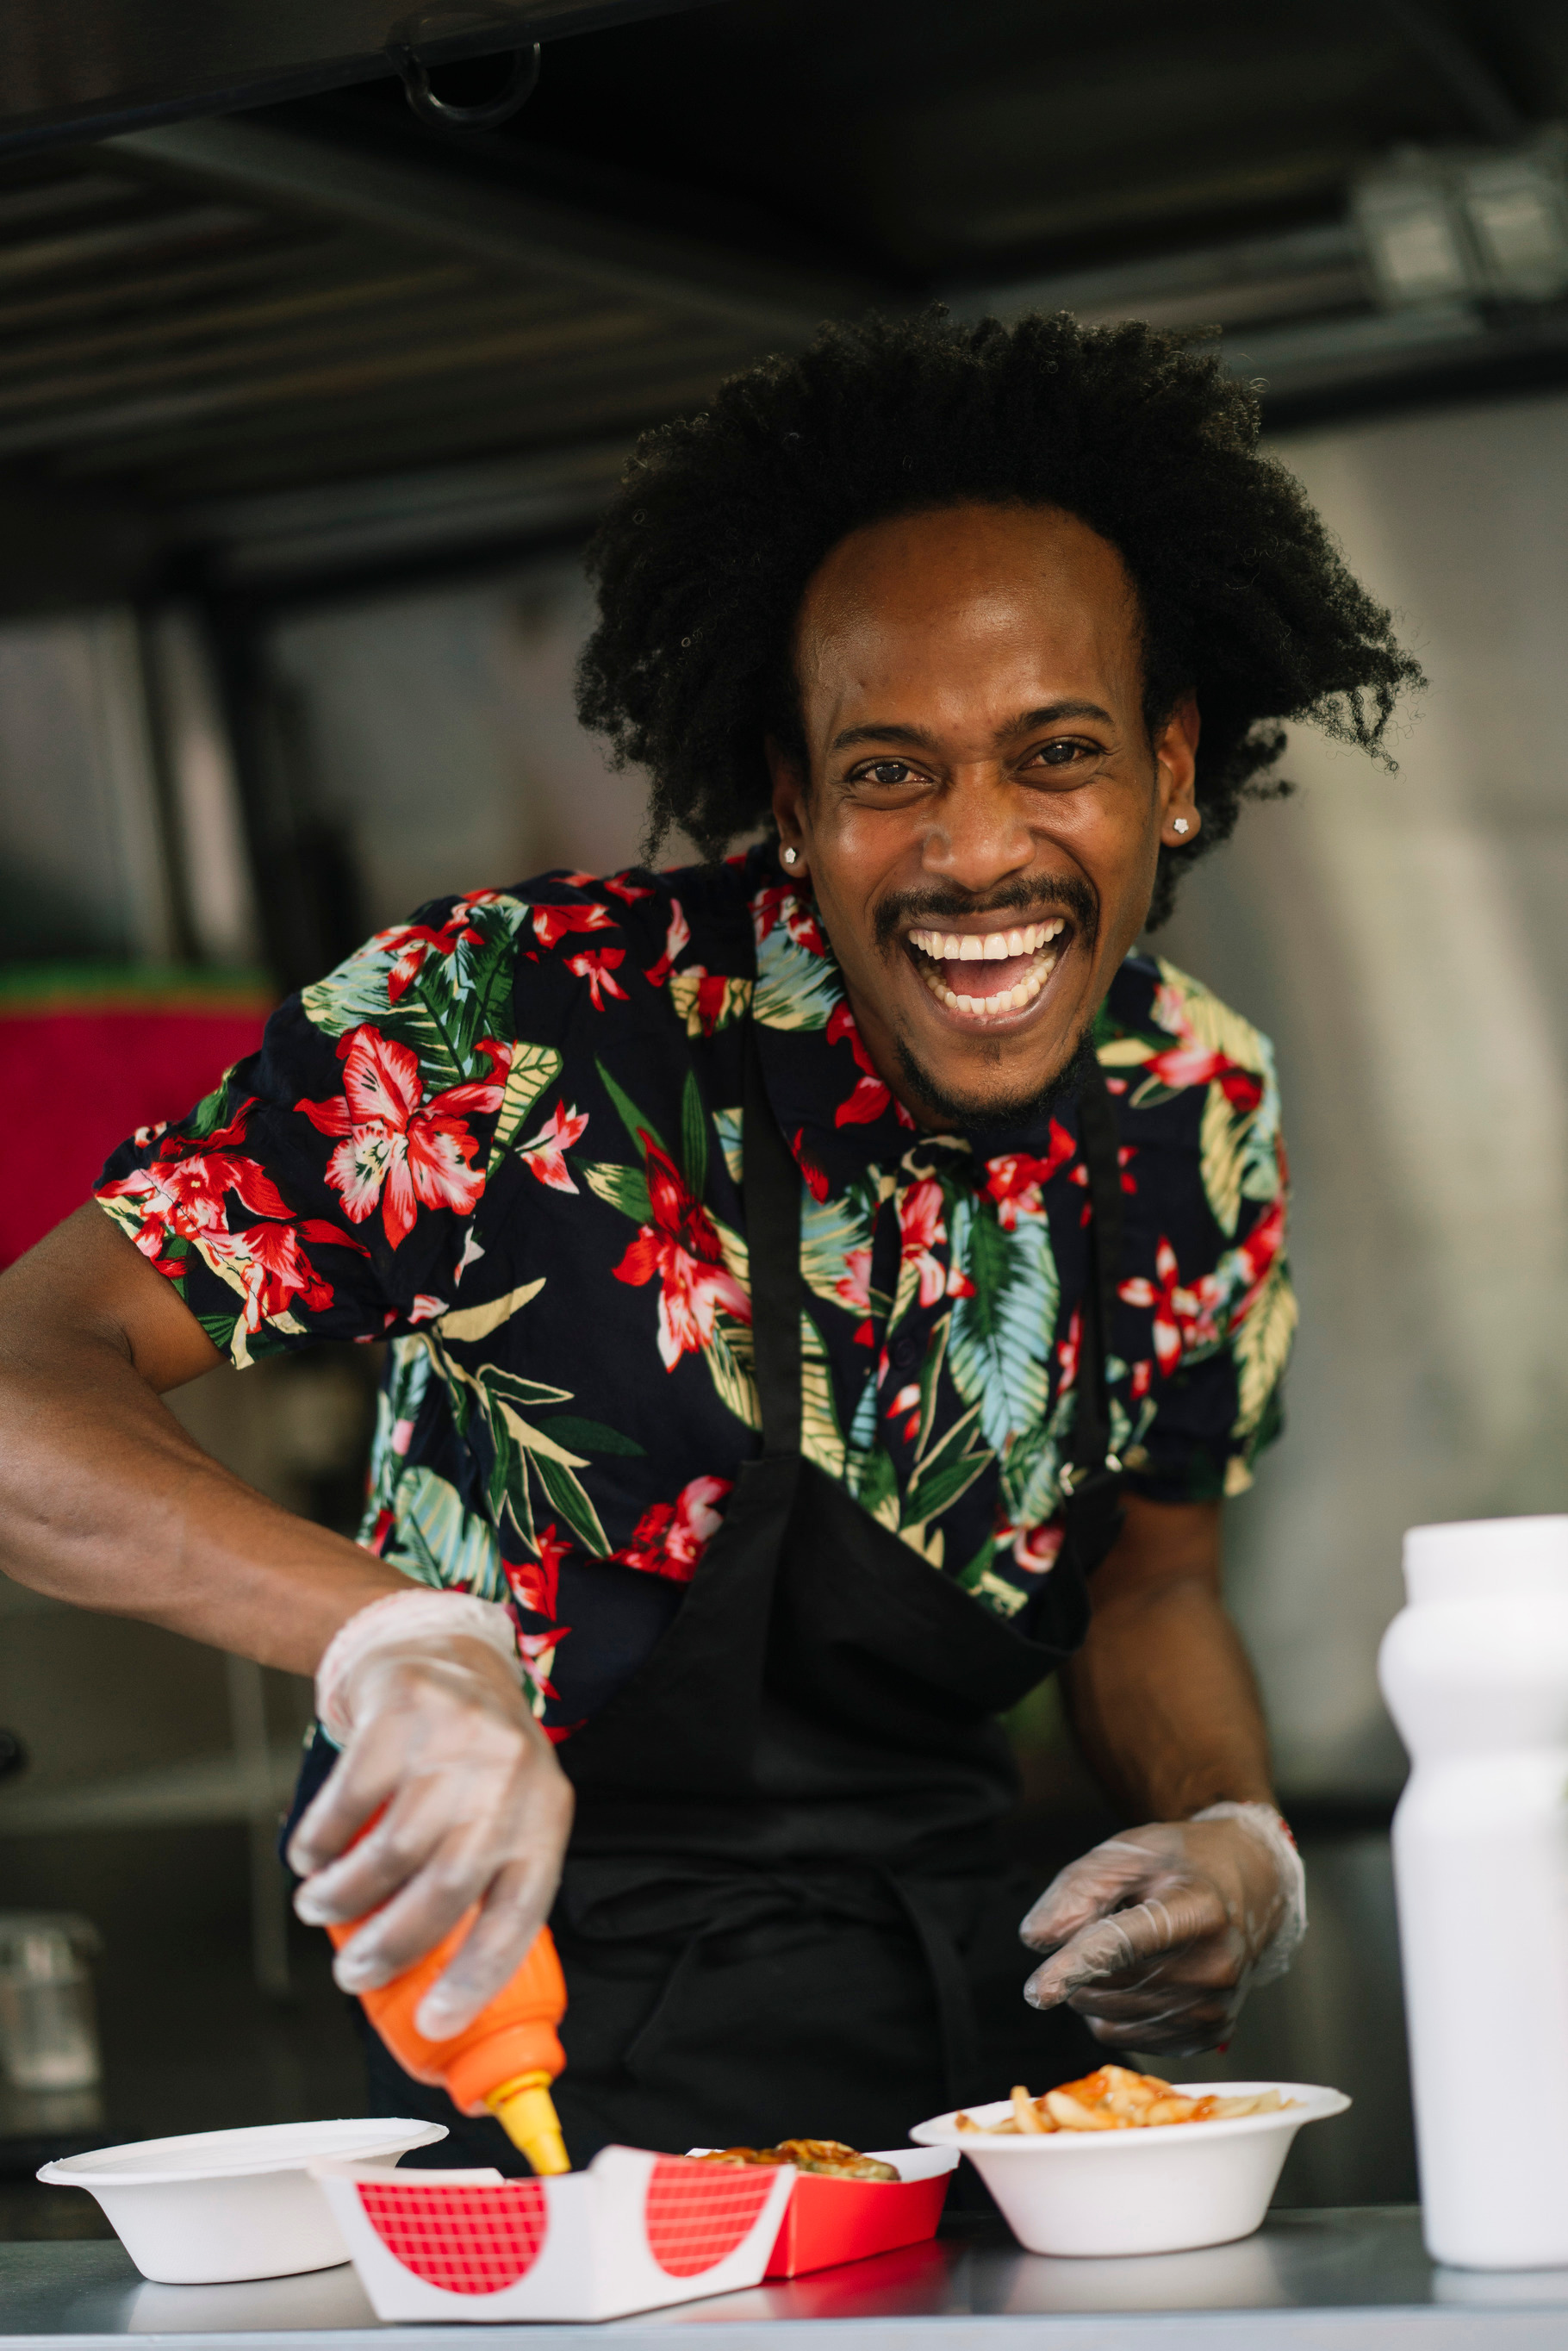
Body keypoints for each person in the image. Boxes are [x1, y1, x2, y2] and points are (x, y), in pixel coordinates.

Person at [0, 312, 1419, 2165]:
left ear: (1168, 766)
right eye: (891, 768)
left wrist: (1237, 1832)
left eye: (1052, 751)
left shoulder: (1192, 1106)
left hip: (985, 2043)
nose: (976, 850)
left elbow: (1149, 1584)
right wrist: (390, 1644)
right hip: (535, 2054)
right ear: (791, 795)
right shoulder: (511, 1026)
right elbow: (30, 1375)